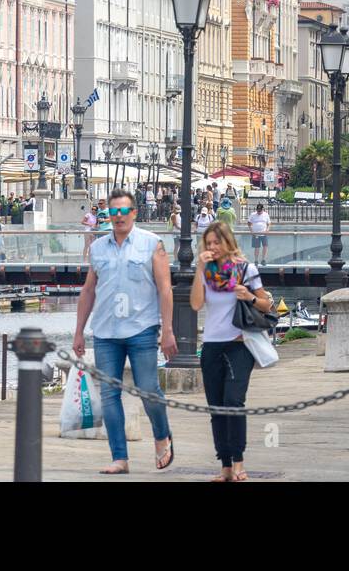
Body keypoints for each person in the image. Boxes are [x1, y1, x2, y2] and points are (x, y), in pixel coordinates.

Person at [71, 187, 176, 474]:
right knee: (109, 394)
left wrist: (167, 330)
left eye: (123, 211)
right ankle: (120, 457)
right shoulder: (98, 248)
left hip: (142, 328)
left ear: (134, 213)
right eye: (112, 212)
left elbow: (165, 290)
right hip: (105, 331)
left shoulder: (151, 244)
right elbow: (89, 290)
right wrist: (79, 331)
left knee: (148, 389)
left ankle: (161, 436)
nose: (117, 217)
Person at [190, 220, 272, 482]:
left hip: (239, 344)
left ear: (228, 242)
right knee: (216, 406)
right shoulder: (207, 271)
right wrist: (199, 268)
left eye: (217, 242)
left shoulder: (246, 269)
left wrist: (248, 296)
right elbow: (195, 304)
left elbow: (266, 305)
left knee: (233, 402)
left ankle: (239, 462)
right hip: (212, 345)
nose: (212, 247)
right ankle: (224, 465)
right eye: (209, 243)